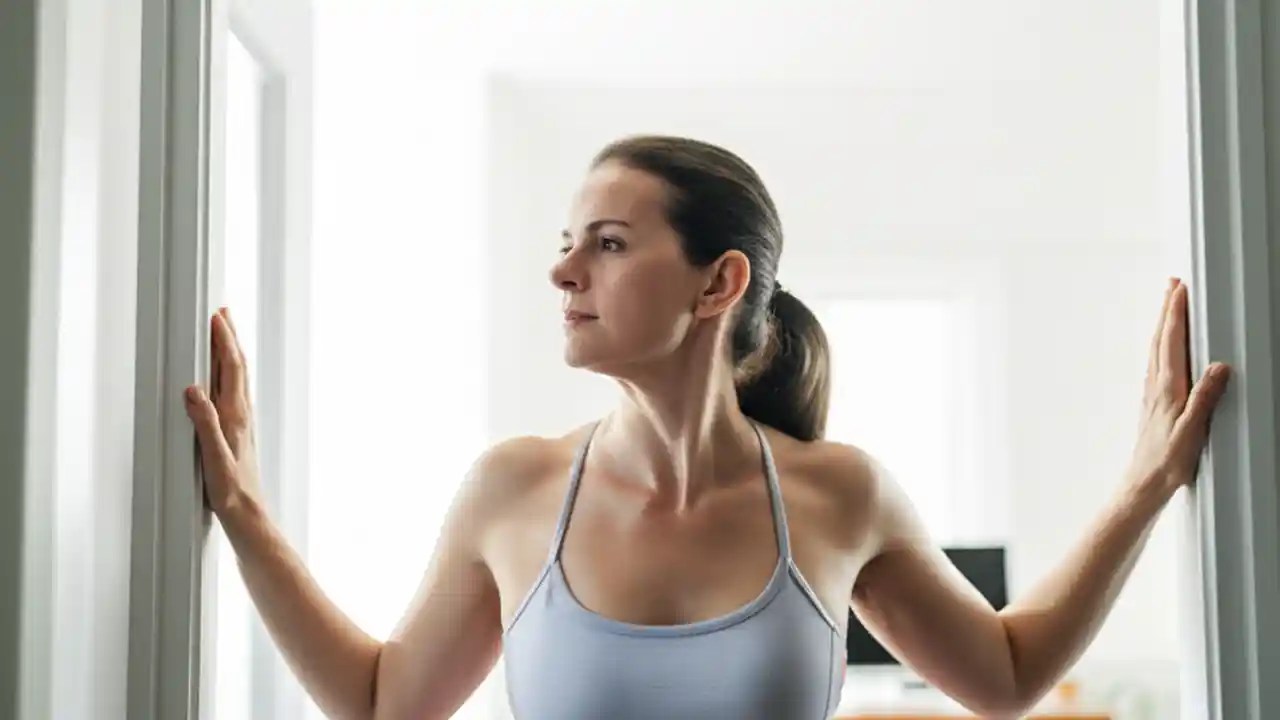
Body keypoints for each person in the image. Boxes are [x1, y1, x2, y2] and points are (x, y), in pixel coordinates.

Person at [183, 135, 1233, 720]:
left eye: (605, 244)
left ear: (717, 282)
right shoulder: (512, 489)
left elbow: (1003, 678)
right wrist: (241, 510)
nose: (562, 271)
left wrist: (1145, 481)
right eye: (565, 244)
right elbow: (381, 708)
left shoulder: (837, 495)